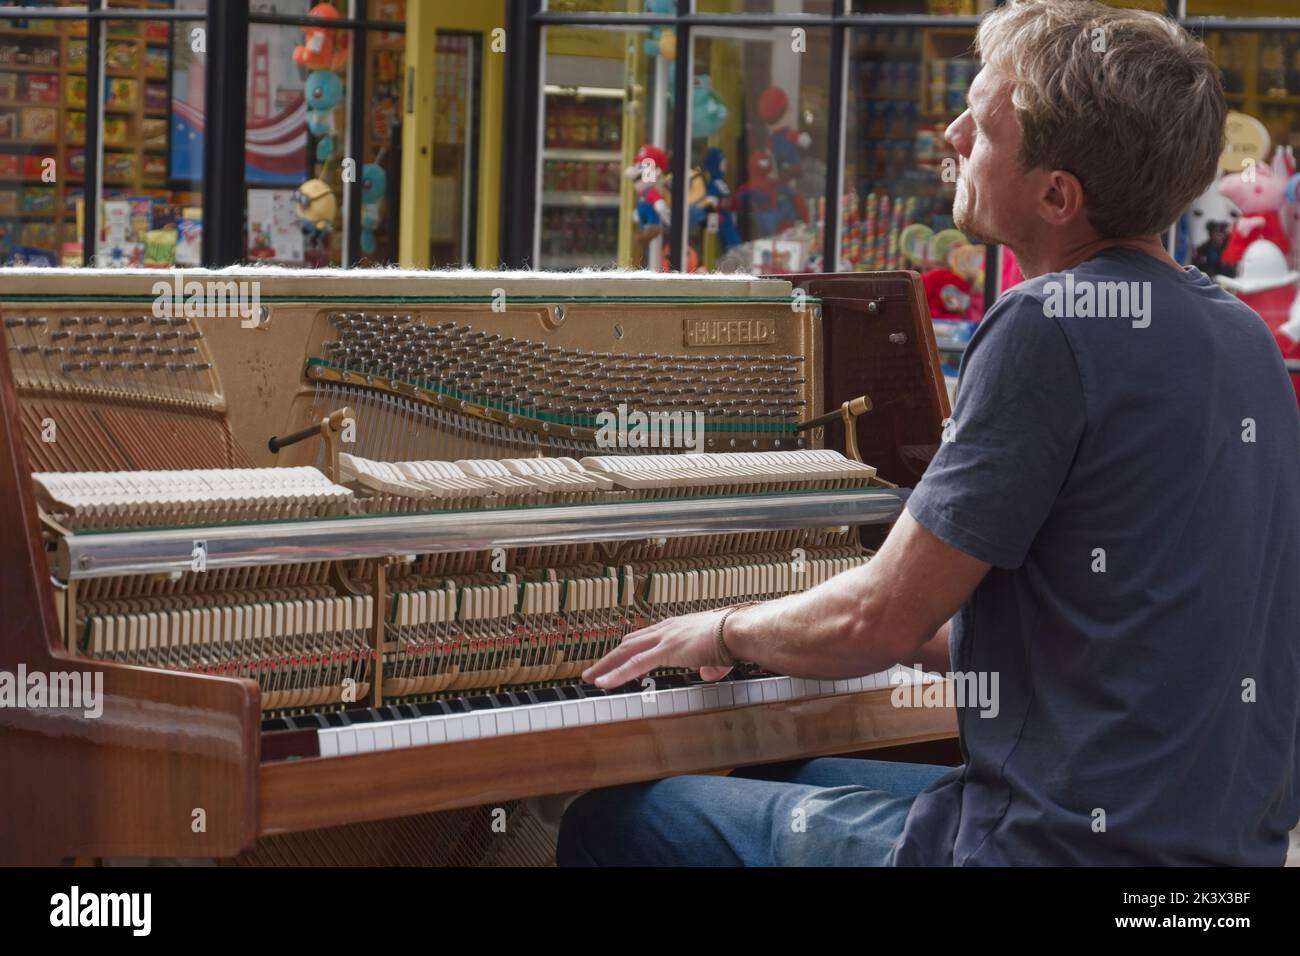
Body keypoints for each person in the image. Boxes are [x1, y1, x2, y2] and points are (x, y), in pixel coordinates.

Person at [557, 0, 1300, 866]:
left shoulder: (1048, 325)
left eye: (981, 126)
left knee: (618, 820)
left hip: (1050, 851)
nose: (951, 135)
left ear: (1057, 196)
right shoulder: (1240, 334)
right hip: (1205, 857)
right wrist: (797, 629)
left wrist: (726, 631)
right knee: (792, 769)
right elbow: (1092, 630)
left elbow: (873, 620)